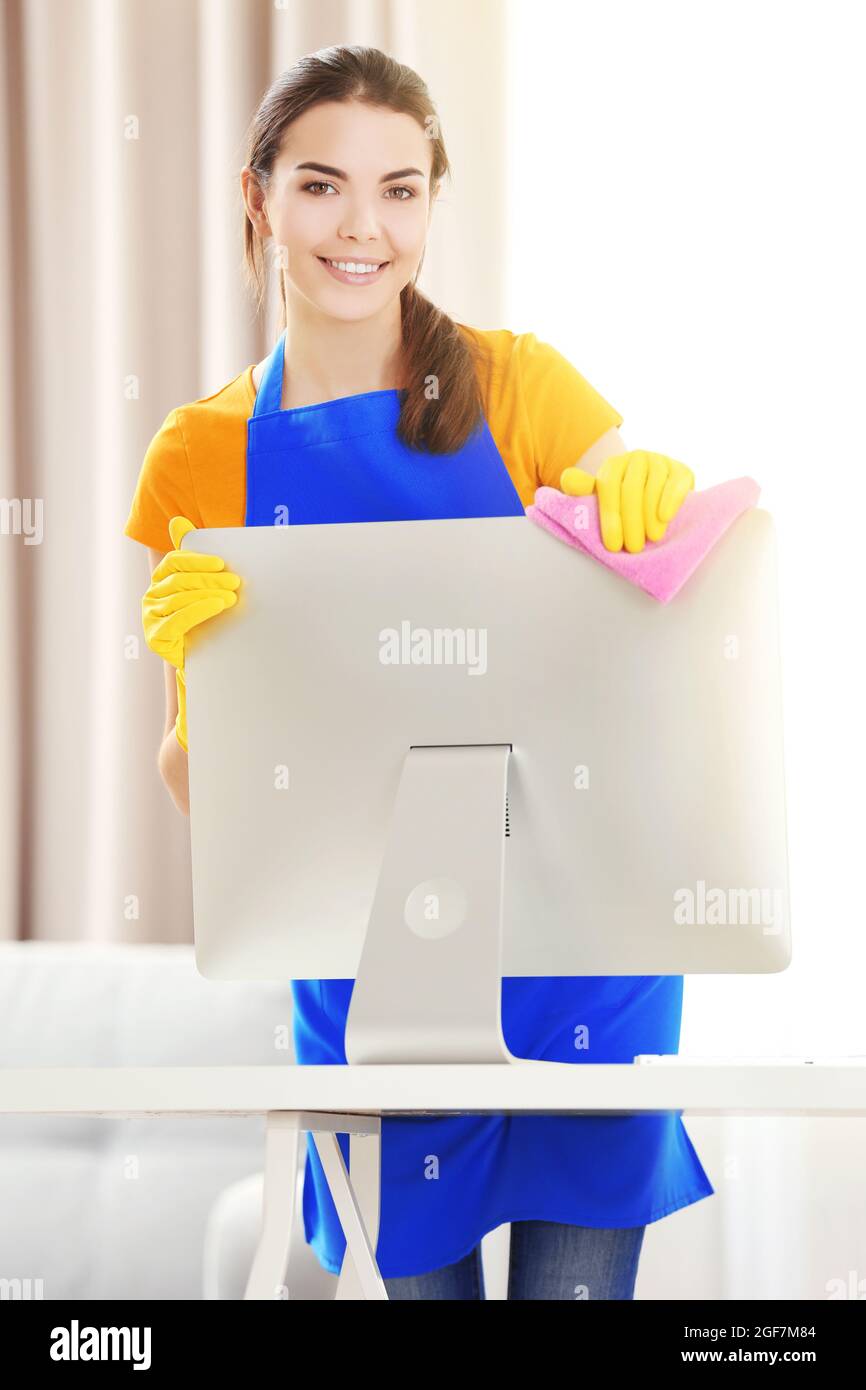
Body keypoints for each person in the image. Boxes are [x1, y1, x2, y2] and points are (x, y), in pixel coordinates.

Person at [126, 44, 712, 1301]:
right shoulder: (200, 453)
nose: (363, 227)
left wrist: (658, 513)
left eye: (401, 189)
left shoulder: (521, 387)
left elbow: (651, 643)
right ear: (258, 197)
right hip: (371, 978)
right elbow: (212, 805)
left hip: (576, 963)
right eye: (323, 185)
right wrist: (200, 675)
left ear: (434, 203)